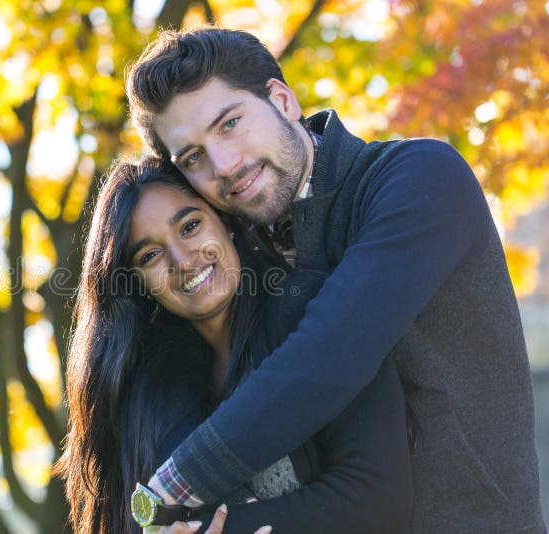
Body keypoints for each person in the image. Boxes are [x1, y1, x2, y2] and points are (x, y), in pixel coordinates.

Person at [124, 27, 544, 533]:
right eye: (192, 157)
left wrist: (169, 491)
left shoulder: (419, 179)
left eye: (230, 123)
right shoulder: (245, 255)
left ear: (282, 100)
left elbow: (328, 357)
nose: (224, 165)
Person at [57, 158, 412, 534]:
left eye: (190, 227)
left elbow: (380, 499)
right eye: (151, 255)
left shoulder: (308, 311)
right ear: (138, 285)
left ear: (226, 222)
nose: (182, 260)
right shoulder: (152, 398)